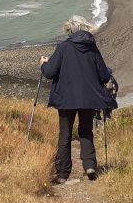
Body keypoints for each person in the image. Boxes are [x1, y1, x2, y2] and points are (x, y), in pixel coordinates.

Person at [40, 15, 116, 185]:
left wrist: (43, 63)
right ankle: (90, 166)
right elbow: (104, 75)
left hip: (66, 99)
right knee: (86, 131)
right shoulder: (92, 48)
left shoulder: (63, 48)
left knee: (65, 134)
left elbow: (50, 72)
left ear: (70, 30)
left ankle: (62, 173)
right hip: (89, 98)